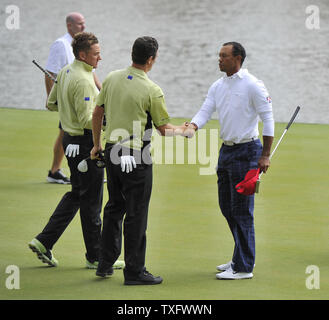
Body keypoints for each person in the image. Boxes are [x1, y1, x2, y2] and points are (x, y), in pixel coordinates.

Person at [90, 36, 188, 285]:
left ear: (133, 54)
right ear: (151, 59)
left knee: (114, 207)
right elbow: (164, 129)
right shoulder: (152, 90)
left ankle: (105, 263)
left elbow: (97, 111)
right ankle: (134, 272)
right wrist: (185, 131)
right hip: (136, 156)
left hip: (112, 151)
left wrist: (96, 145)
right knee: (136, 214)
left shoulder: (111, 78)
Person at [28, 32, 124, 270]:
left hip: (69, 142)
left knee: (77, 194)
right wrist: (104, 129)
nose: (100, 58)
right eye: (96, 54)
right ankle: (96, 256)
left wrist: (69, 106)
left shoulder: (66, 72)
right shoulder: (83, 79)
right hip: (83, 144)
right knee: (91, 200)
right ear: (83, 54)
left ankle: (44, 241)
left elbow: (51, 104)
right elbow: (86, 120)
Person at [185, 42, 274, 280]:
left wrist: (265, 155)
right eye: (219, 56)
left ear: (238, 58)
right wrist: (193, 125)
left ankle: (244, 267)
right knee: (227, 207)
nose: (219, 60)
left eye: (224, 56)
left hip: (248, 152)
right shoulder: (218, 86)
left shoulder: (253, 85)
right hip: (227, 152)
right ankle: (239, 256)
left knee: (242, 211)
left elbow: (268, 119)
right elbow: (205, 110)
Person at [45, 12, 102, 184]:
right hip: (73, 96)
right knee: (69, 131)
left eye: (84, 23)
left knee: (67, 133)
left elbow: (91, 74)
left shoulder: (86, 47)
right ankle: (55, 170)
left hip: (79, 94)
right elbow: (50, 72)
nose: (83, 26)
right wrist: (54, 99)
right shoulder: (60, 45)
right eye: (79, 24)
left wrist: (103, 94)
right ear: (69, 25)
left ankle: (72, 174)